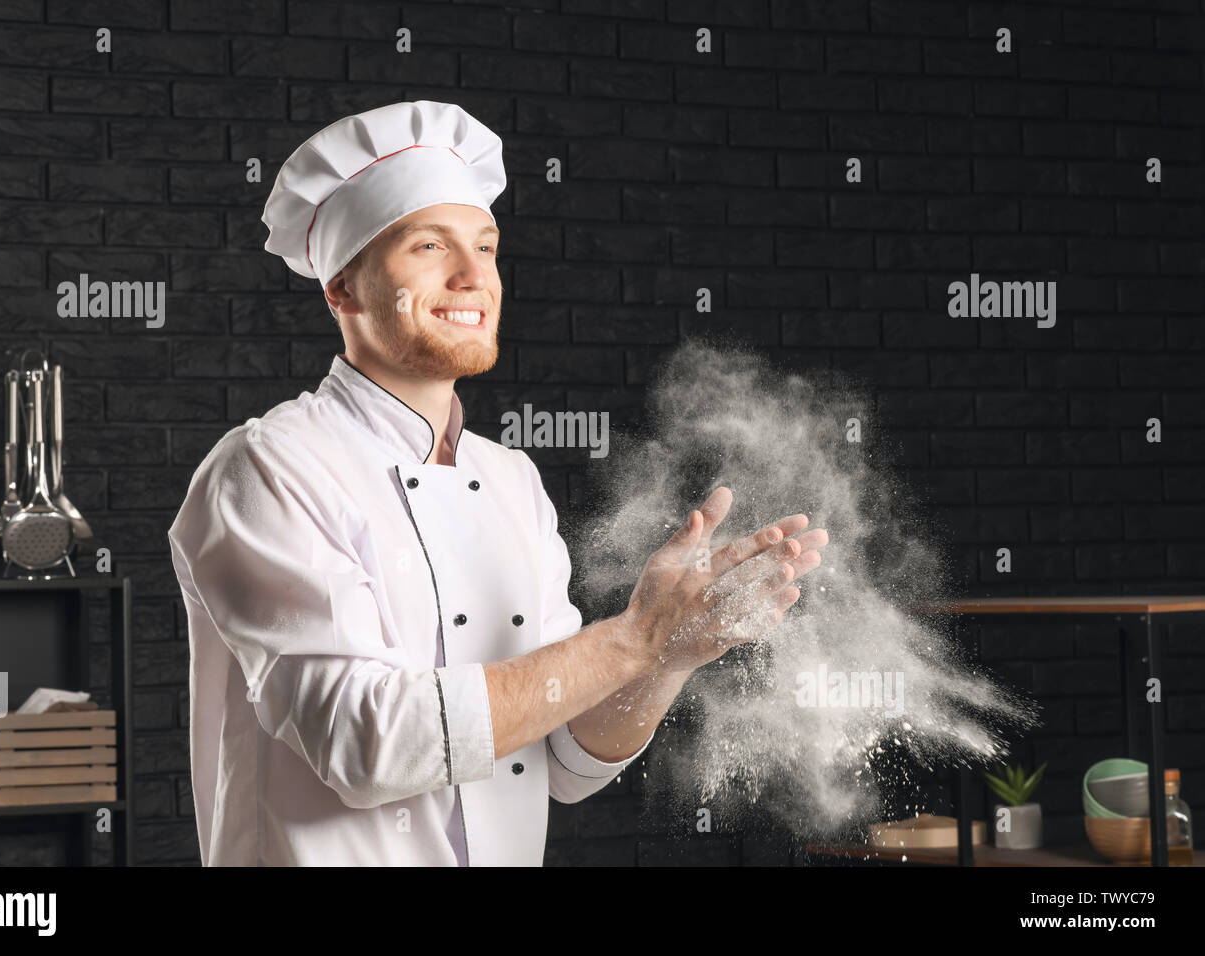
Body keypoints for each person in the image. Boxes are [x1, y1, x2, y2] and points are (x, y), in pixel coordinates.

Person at [167, 100, 828, 866]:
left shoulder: (511, 478)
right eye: (428, 245)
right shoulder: (267, 468)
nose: (472, 276)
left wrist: (667, 655)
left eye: (486, 246)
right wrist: (632, 636)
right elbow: (366, 744)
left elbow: (569, 762)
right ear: (341, 289)